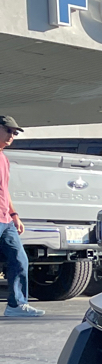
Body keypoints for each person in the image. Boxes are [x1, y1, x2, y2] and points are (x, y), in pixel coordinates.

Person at [0, 115, 42, 318]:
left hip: (5, 220)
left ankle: (16, 306)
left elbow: (4, 190)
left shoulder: (4, 159)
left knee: (19, 259)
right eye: (8, 130)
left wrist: (14, 214)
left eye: (15, 133)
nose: (12, 135)